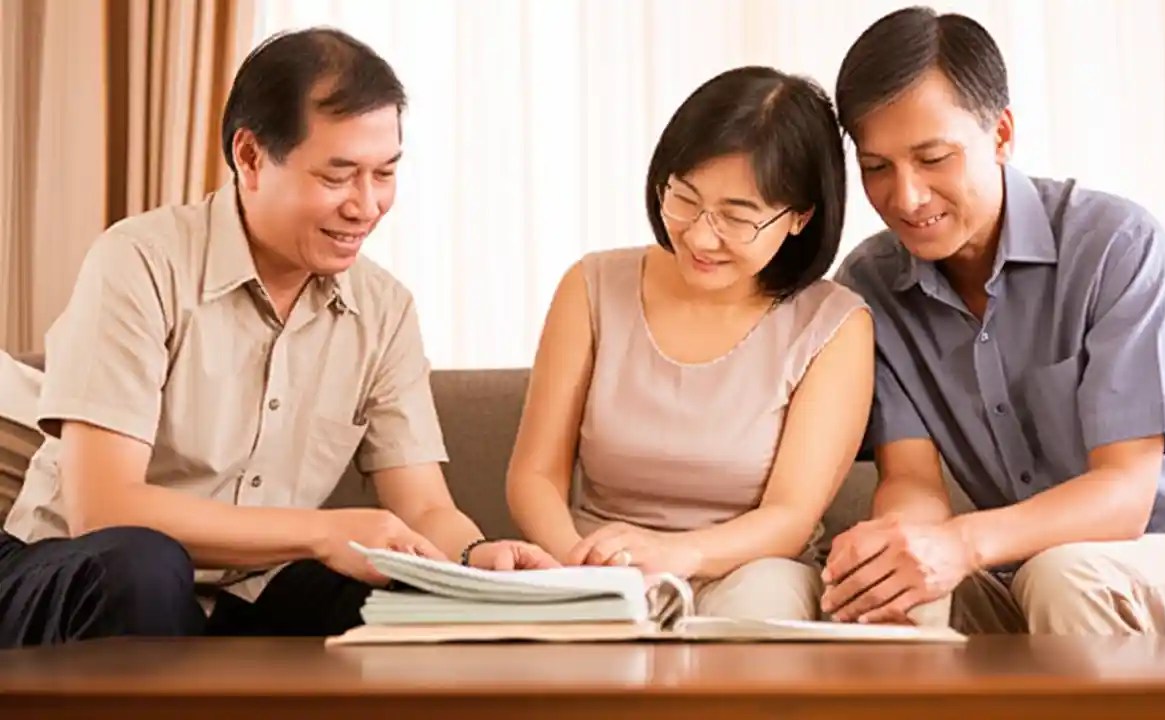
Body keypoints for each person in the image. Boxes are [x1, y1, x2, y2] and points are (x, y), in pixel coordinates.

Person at [0, 28, 556, 648]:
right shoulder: (140, 261)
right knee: (145, 568)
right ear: (250, 157)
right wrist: (320, 533)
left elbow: (423, 507)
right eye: (339, 175)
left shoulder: (384, 310)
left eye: (385, 173)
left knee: (403, 604)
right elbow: (103, 508)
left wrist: (479, 557)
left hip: (246, 591)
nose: (366, 205)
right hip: (74, 573)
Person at [823, 6, 1165, 636]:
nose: (906, 198)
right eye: (877, 168)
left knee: (1064, 576)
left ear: (1002, 134)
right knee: (898, 600)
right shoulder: (871, 284)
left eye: (933, 158)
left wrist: (962, 543)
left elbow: (1124, 496)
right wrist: (899, 554)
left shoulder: (1116, 245)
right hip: (1025, 570)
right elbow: (911, 480)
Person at [506, 65, 874, 622]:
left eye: (737, 217)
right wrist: (580, 563)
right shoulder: (592, 286)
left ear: (800, 218)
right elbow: (533, 475)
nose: (701, 236)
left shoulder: (833, 324)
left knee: (759, 609)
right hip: (596, 567)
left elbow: (791, 514)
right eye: (685, 199)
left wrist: (676, 555)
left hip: (750, 573)